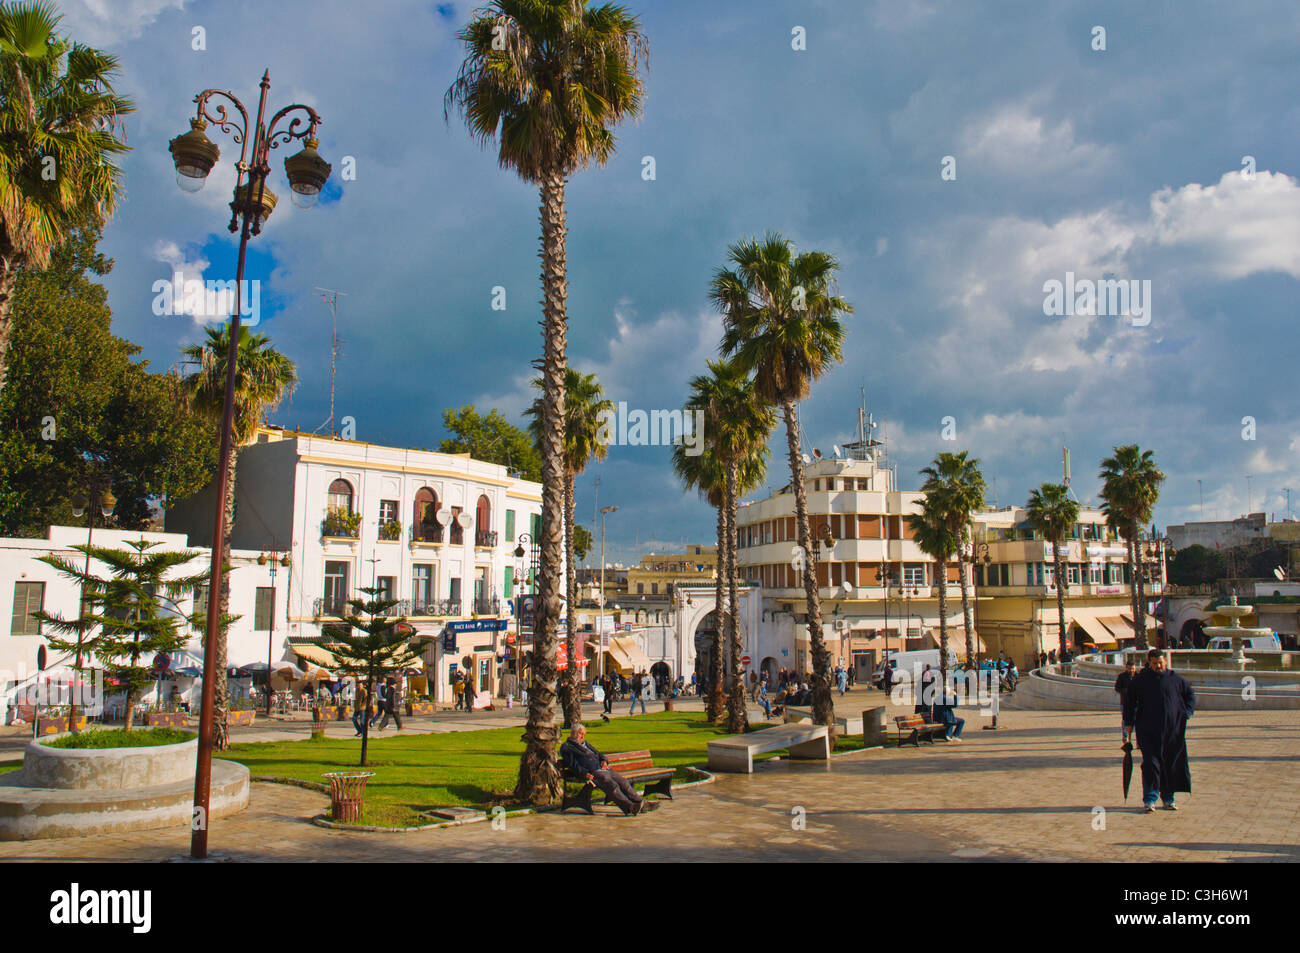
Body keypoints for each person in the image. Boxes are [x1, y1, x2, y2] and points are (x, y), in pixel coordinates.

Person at [1123, 648, 1196, 813]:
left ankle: (1169, 799)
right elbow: (1129, 703)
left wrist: (1187, 712)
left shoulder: (1176, 679)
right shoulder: (1140, 680)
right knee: (1151, 764)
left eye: (1160, 663)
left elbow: (1190, 695)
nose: (1158, 666)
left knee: (1170, 764)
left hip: (1172, 732)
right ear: (1149, 663)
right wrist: (1128, 724)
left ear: (1166, 662)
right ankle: (1150, 799)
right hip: (1148, 731)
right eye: (1154, 663)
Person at [560, 723, 644, 816]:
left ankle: (641, 803)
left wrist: (604, 761)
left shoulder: (585, 743)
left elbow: (599, 754)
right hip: (593, 772)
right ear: (573, 733)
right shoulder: (567, 747)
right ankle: (630, 807)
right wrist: (584, 774)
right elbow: (572, 765)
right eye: (580, 733)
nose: (582, 736)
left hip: (604, 769)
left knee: (623, 782)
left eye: (583, 734)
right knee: (612, 785)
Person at [1114, 657, 1139, 737]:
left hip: (1137, 703)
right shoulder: (1122, 677)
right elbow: (1117, 688)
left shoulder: (1139, 676)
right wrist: (1125, 691)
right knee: (1126, 720)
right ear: (1126, 668)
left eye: (1132, 668)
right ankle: (1126, 736)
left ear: (1135, 668)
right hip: (1125, 702)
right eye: (1129, 669)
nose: (1131, 670)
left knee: (1138, 721)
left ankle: (1139, 741)